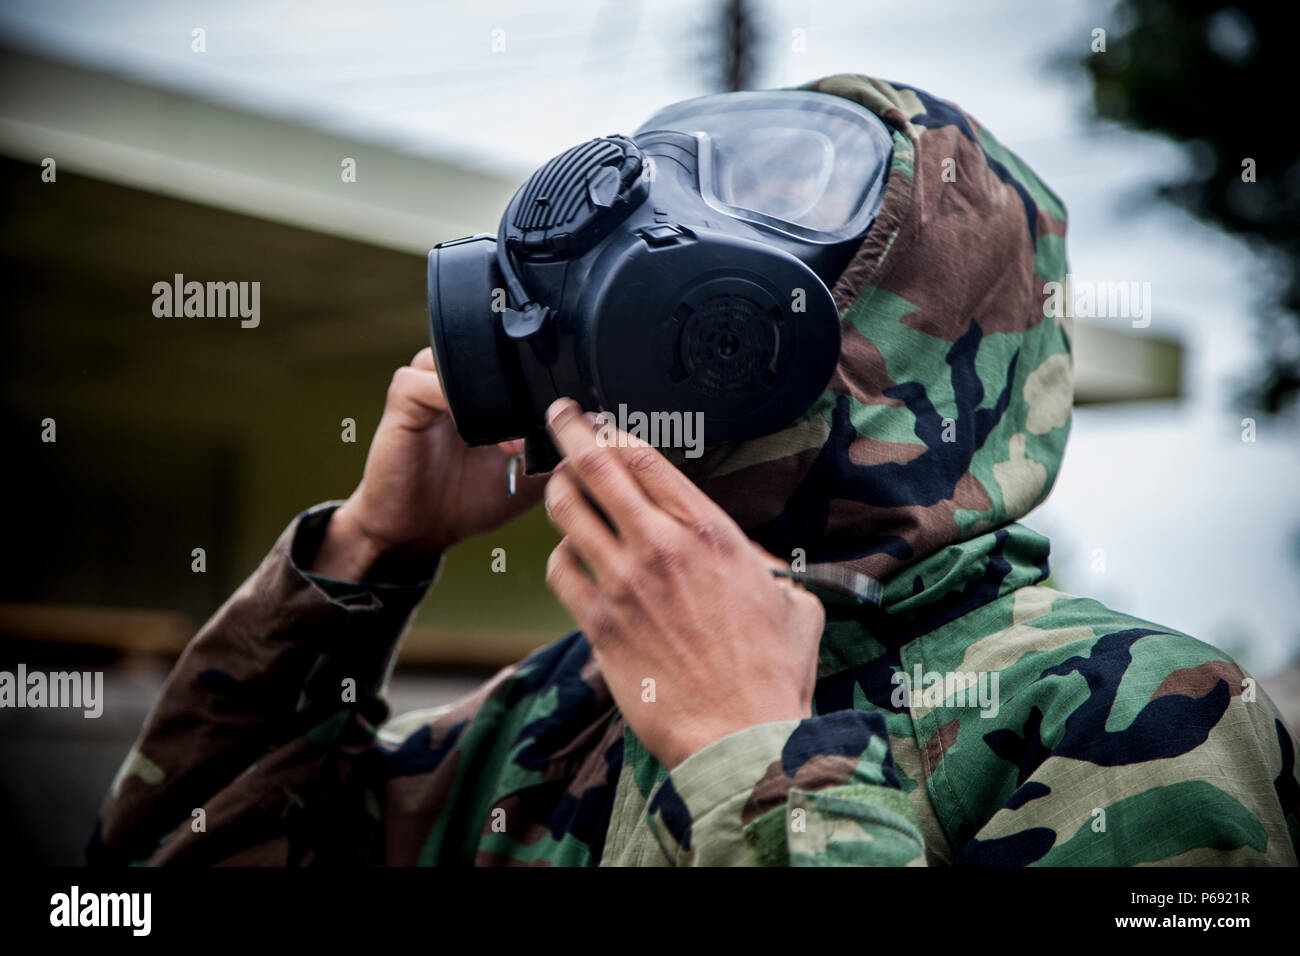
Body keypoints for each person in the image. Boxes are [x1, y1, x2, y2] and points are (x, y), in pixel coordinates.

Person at [88, 74, 1299, 866]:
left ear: (928, 308)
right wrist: (358, 561)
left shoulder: (1135, 706)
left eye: (781, 192)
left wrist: (753, 752)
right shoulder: (559, 710)